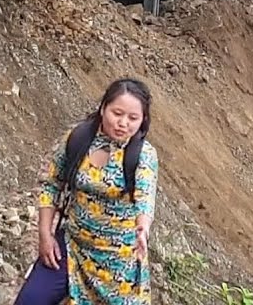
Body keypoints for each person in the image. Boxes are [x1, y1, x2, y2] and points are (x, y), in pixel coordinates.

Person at [13, 78, 159, 305]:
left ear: (142, 121)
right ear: (103, 108)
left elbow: (145, 195)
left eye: (133, 118)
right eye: (117, 113)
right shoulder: (78, 138)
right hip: (72, 246)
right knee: (30, 300)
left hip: (118, 262)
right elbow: (52, 183)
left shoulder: (142, 154)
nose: (123, 123)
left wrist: (143, 227)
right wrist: (45, 234)